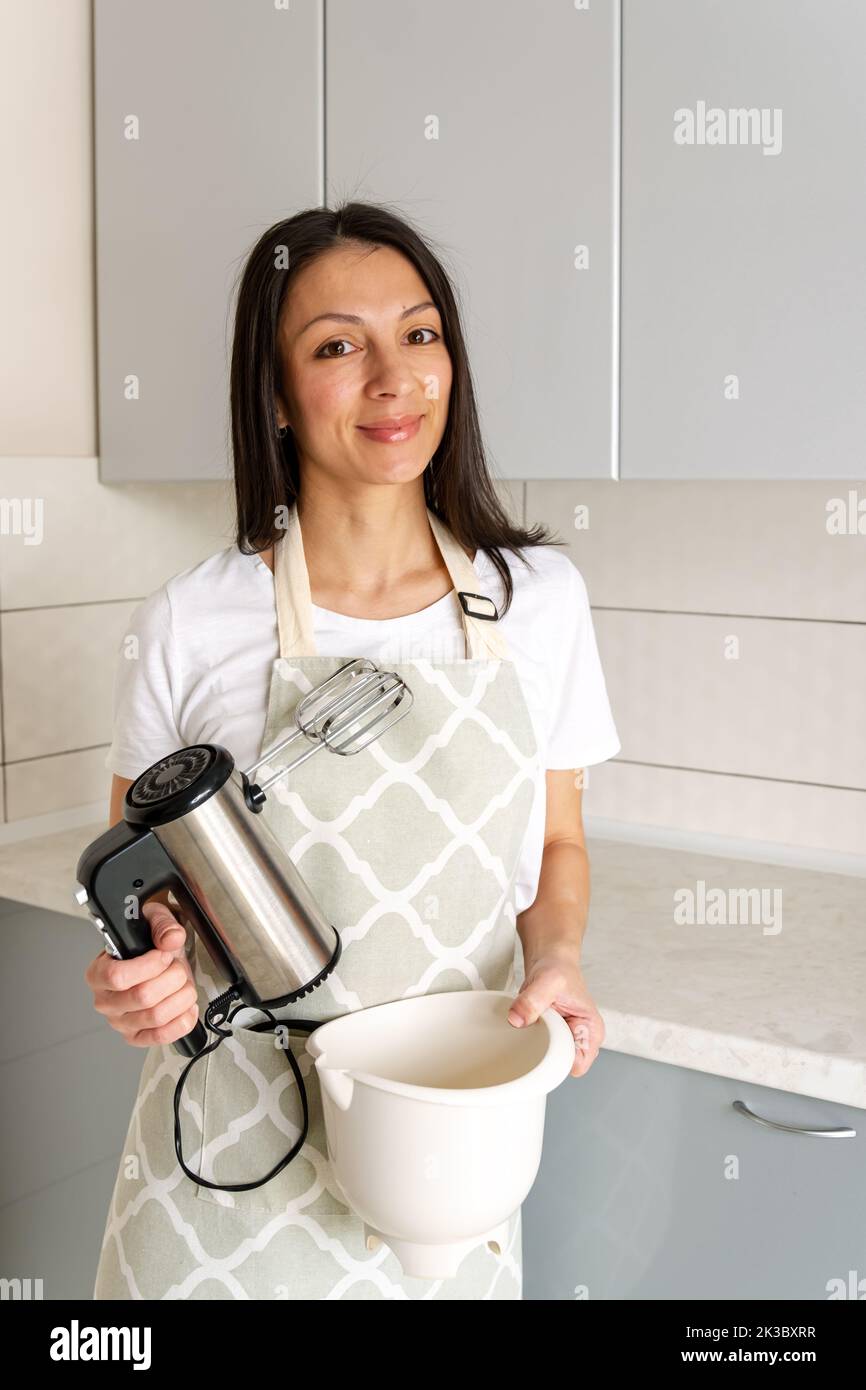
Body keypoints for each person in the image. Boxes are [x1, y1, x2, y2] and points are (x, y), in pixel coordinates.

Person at [84, 201, 621, 1300]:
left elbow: (556, 845)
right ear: (276, 395)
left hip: (440, 1155)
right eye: (338, 346)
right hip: (230, 1154)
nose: (394, 378)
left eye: (419, 335)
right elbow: (136, 886)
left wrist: (555, 957)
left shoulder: (537, 604)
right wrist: (136, 978)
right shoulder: (192, 619)